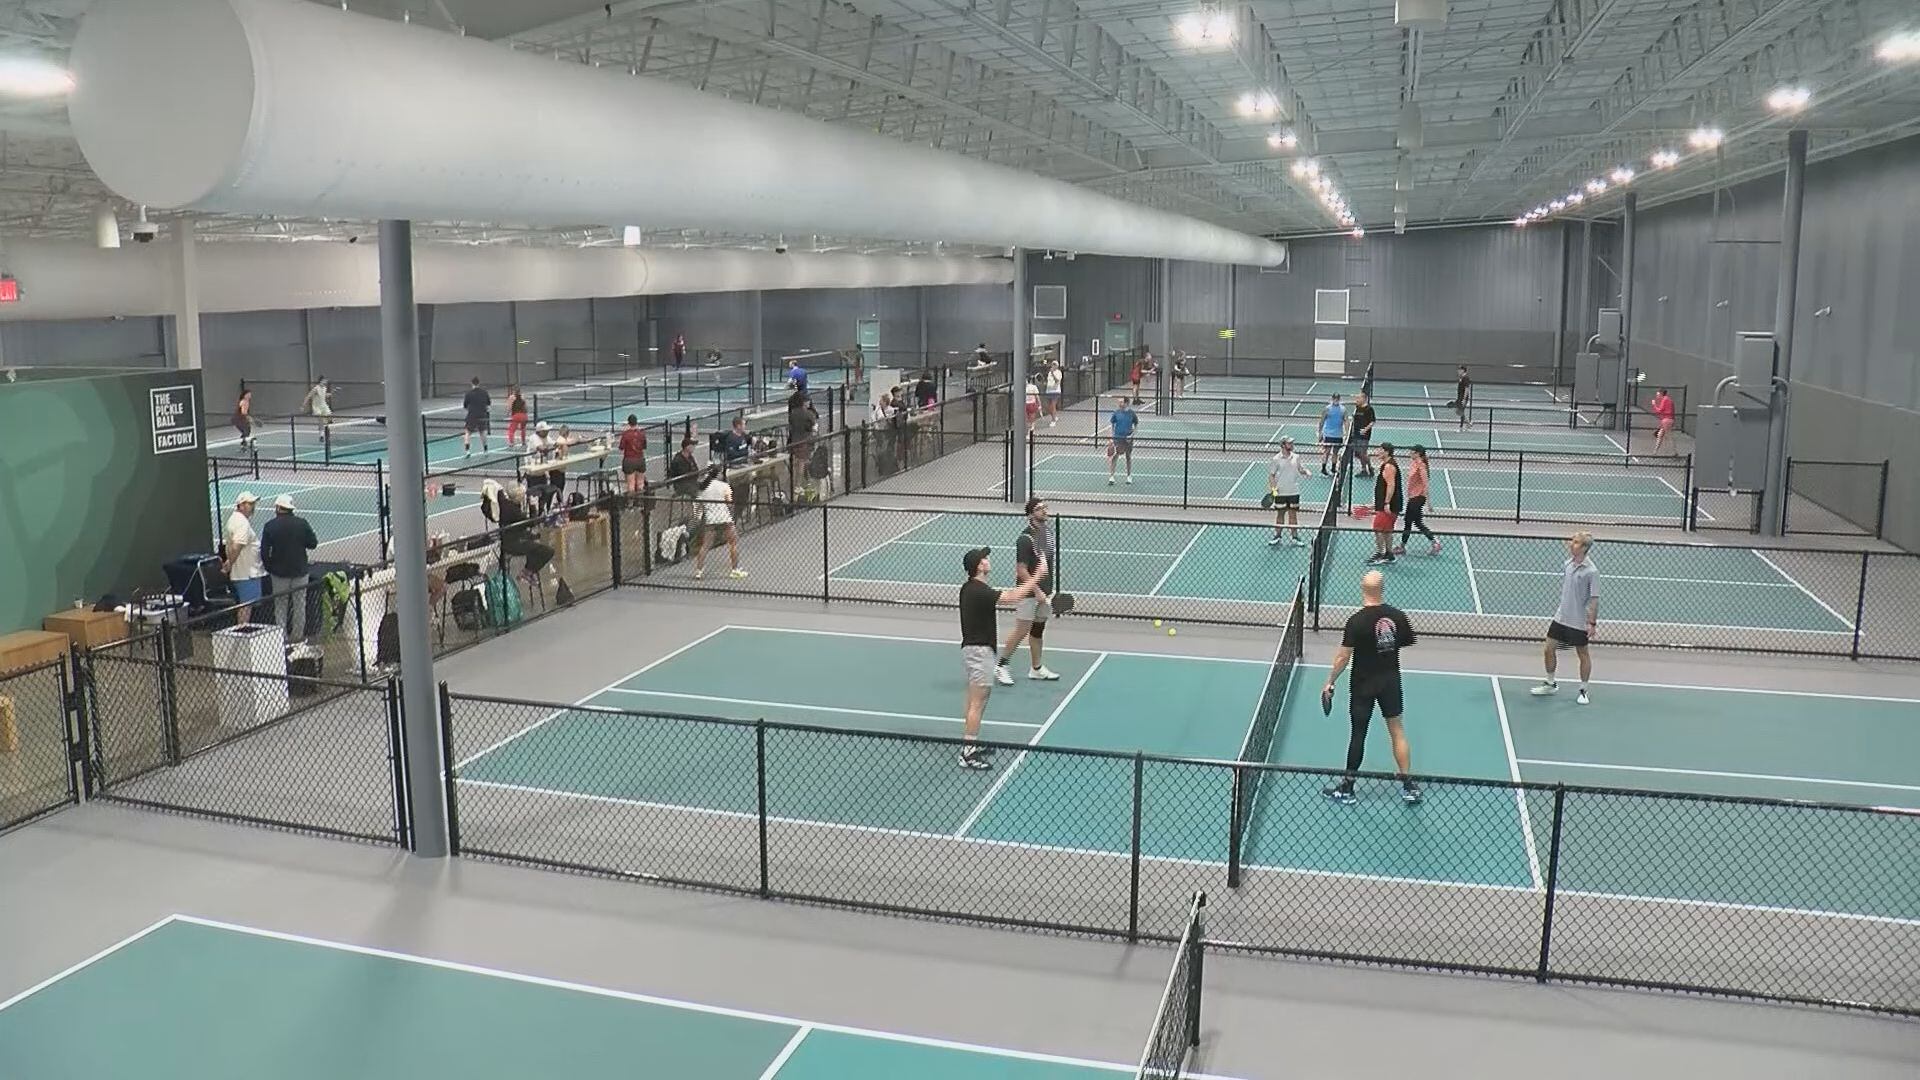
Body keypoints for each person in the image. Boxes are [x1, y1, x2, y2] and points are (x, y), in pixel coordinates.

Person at [1319, 570, 1421, 805]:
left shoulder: (1356, 621)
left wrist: (1330, 680)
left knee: (1358, 734)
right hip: (1390, 681)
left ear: (1362, 589)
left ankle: (1347, 789)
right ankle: (1408, 786)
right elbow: (1405, 641)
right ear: (1382, 589)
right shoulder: (1397, 616)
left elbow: (1343, 657)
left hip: (1363, 684)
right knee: (1397, 730)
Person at [957, 545, 1047, 770]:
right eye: (984, 559)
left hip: (974, 650)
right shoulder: (979, 591)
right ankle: (967, 753)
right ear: (979, 566)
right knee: (978, 702)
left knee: (973, 701)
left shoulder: (969, 588)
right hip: (979, 652)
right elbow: (1014, 596)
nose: (988, 560)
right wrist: (1038, 575)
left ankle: (970, 744)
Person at [995, 496, 1059, 685]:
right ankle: (1001, 666)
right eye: (1040, 508)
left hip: (1045, 591)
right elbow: (1021, 570)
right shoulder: (1025, 539)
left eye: (1045, 507)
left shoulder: (1047, 533)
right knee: (1022, 630)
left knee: (1038, 630)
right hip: (1029, 593)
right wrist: (1037, 590)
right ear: (1031, 514)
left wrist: (1047, 590)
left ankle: (1036, 668)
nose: (1045, 511)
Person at [1532, 531, 1599, 705]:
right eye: (1572, 541)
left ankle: (1583, 691)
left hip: (1578, 621)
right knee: (1548, 649)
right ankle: (1550, 683)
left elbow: (1594, 599)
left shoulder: (1591, 572)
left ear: (1584, 548)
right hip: (1561, 617)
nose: (1571, 544)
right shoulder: (1568, 564)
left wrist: (1592, 623)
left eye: (1576, 542)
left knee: (1583, 654)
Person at [259, 494, 319, 643]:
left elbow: (264, 552)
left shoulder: (270, 526)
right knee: (300, 605)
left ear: (278, 508)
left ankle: (282, 637)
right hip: (300, 572)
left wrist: (270, 568)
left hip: (279, 574)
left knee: (280, 605)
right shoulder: (302, 523)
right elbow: (313, 543)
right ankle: (297, 636)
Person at [692, 464, 746, 580]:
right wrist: (730, 515)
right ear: (718, 474)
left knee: (705, 546)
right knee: (733, 543)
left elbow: (698, 506)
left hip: (711, 520)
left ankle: (699, 571)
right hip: (724, 518)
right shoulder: (724, 486)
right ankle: (735, 570)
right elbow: (729, 502)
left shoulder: (702, 488)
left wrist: (697, 518)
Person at [221, 492, 264, 625]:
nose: (253, 506)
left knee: (246, 606)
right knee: (246, 607)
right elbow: (237, 546)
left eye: (253, 503)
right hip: (246, 574)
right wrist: (229, 563)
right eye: (249, 504)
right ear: (241, 505)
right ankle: (242, 633)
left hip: (246, 572)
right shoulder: (241, 523)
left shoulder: (236, 520)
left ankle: (243, 632)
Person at [1394, 445, 1441, 557]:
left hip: (1418, 498)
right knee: (1409, 521)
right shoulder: (1414, 463)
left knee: (1416, 522)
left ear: (1418, 453)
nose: (1410, 453)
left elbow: (1425, 484)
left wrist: (1429, 502)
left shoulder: (1421, 466)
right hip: (1412, 497)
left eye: (1412, 452)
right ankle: (1402, 546)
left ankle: (1435, 542)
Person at [1267, 436, 1310, 546]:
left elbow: (1300, 469)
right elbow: (1271, 476)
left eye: (1291, 443)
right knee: (1280, 514)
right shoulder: (1276, 459)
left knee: (1293, 515)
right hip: (1281, 492)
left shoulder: (1296, 457)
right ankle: (1277, 536)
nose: (1291, 445)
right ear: (1283, 445)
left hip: (1293, 491)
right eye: (1289, 443)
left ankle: (1294, 537)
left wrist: (1306, 472)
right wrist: (1273, 490)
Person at [1366, 443, 1403, 565]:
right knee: (1387, 530)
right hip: (1388, 503)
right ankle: (1389, 554)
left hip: (1389, 505)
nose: (1378, 452)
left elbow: (1391, 485)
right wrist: (1376, 504)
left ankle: (1380, 553)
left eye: (1381, 450)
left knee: (1378, 528)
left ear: (1387, 452)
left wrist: (1386, 503)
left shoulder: (1389, 467)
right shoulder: (1386, 465)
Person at [1107, 394, 1137, 485]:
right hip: (1118, 437)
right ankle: (1111, 476)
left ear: (1126, 403)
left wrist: (1132, 435)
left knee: (1128, 456)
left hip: (1128, 438)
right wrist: (1112, 437)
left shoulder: (1131, 413)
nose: (1119, 404)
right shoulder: (1116, 413)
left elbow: (1136, 424)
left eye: (1121, 402)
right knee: (1115, 455)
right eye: (1119, 402)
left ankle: (1129, 476)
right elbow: (1112, 424)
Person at [618, 414, 648, 497]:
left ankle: (631, 504)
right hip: (640, 459)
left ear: (629, 423)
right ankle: (641, 502)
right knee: (640, 483)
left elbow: (621, 447)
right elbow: (644, 446)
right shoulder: (642, 434)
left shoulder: (626, 434)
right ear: (636, 422)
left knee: (631, 484)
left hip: (629, 460)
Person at [461, 377, 491, 456]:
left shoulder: (468, 394)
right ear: (479, 383)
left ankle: (467, 450)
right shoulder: (484, 392)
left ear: (472, 383)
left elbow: (465, 405)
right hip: (482, 415)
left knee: (468, 432)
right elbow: (488, 404)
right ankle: (485, 450)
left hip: (472, 415)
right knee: (483, 432)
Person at [1350, 391, 1377, 478]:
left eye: (1359, 398)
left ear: (1364, 399)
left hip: (1364, 435)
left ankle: (1367, 468)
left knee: (1363, 453)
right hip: (1356, 434)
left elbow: (1372, 421)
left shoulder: (1369, 409)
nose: (1357, 399)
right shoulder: (1357, 408)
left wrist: (1365, 430)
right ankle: (1366, 468)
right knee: (1358, 453)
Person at [1318, 394, 1346, 475]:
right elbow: (1322, 421)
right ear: (1332, 399)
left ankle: (1333, 468)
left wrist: (1347, 433)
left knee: (1335, 452)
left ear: (1339, 399)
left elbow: (1346, 421)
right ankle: (1323, 468)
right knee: (1326, 452)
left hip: (1338, 435)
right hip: (1328, 434)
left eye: (1337, 398)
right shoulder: (1327, 409)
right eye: (1334, 398)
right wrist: (1320, 433)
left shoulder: (1343, 409)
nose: (1336, 400)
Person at [1650, 388, 1676, 453]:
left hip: (1667, 420)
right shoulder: (1669, 400)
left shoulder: (1665, 400)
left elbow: (1659, 410)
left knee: (1669, 436)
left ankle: (1674, 452)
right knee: (1660, 435)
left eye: (1658, 394)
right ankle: (1655, 452)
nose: (1657, 396)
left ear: (1661, 394)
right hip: (1667, 420)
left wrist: (1654, 405)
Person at [231, 386, 255, 453]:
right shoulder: (244, 402)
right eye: (248, 394)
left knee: (247, 430)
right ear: (244, 395)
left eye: (250, 394)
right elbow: (243, 412)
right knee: (246, 431)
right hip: (238, 419)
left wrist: (248, 418)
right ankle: (243, 446)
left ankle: (244, 444)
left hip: (241, 419)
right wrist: (249, 418)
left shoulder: (247, 401)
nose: (250, 395)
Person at [1453, 365, 1473, 429]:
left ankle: (1462, 426)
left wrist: (1464, 399)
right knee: (1458, 411)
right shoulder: (1461, 378)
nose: (1458, 371)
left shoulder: (1466, 378)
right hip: (1459, 397)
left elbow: (1467, 389)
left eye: (1459, 370)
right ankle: (1468, 423)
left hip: (1463, 398)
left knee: (1460, 411)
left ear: (1463, 370)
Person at [1044, 360, 1063, 426]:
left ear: (1057, 366)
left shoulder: (1058, 372)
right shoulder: (1049, 373)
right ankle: (1054, 416)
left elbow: (1057, 380)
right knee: (1049, 406)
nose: (1053, 366)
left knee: (1053, 405)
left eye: (1055, 365)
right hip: (1049, 390)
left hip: (1055, 391)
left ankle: (1053, 420)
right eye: (1053, 364)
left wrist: (1053, 374)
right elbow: (1049, 381)